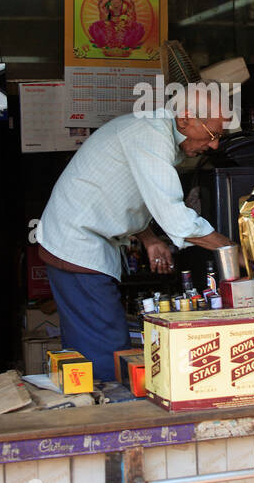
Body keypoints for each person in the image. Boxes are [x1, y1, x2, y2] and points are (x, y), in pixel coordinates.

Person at [36, 88, 233, 381]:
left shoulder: (155, 132)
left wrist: (150, 238)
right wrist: (230, 250)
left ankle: (88, 406)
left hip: (82, 241)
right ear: (185, 119)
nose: (215, 145)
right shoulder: (150, 136)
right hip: (76, 244)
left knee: (89, 347)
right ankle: (110, 420)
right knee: (108, 351)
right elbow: (176, 218)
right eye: (212, 133)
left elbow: (120, 190)